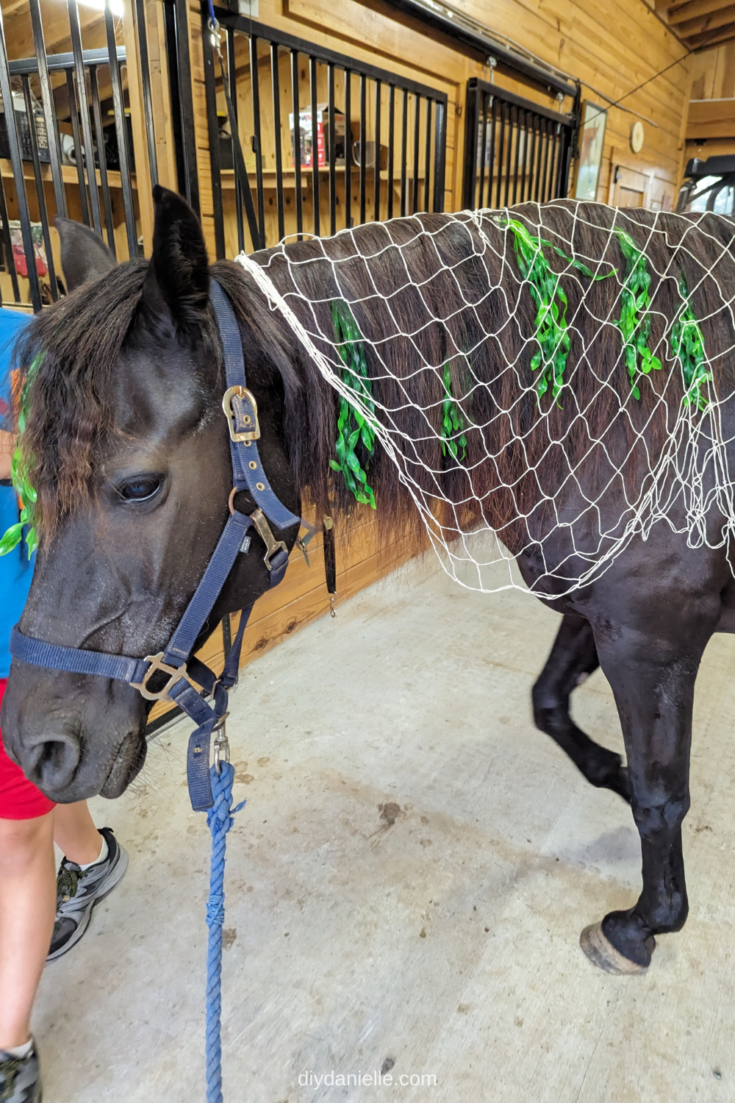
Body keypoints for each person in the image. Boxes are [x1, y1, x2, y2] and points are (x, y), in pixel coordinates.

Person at [0, 306, 128, 1103]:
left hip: (23, 651)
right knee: (39, 805)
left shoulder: (30, 341)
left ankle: (9, 1048)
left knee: (15, 847)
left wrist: (17, 447)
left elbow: (96, 464)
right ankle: (94, 858)